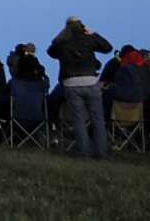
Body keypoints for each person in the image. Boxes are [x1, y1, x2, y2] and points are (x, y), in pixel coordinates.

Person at [46, 16, 111, 159]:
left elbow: (50, 51)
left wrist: (62, 34)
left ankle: (83, 151)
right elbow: (108, 48)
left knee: (79, 119)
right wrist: (93, 33)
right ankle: (101, 152)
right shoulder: (88, 38)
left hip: (70, 83)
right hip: (90, 81)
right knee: (97, 119)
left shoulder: (62, 42)